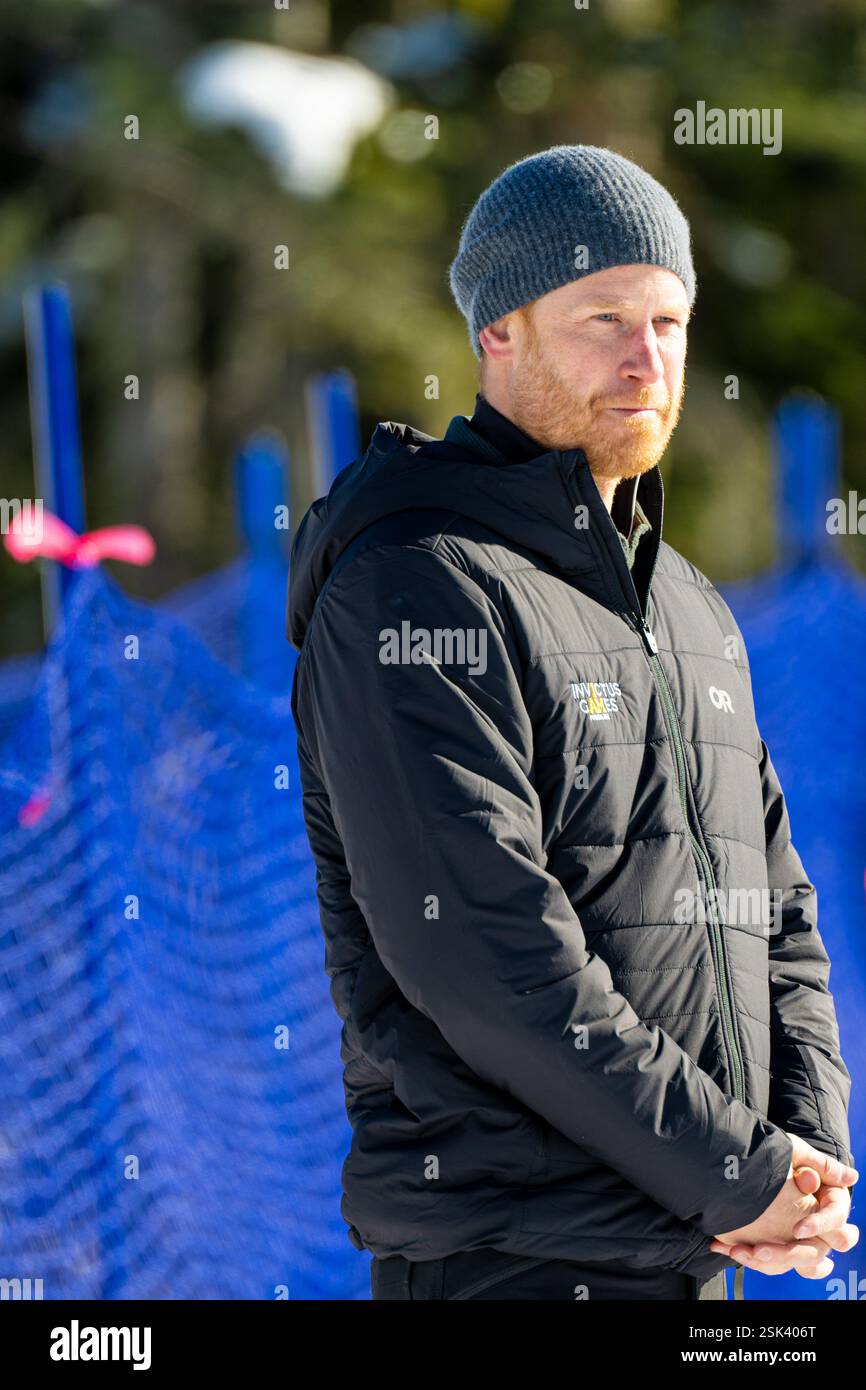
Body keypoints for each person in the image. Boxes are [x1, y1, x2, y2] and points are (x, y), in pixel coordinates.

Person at [286, 145, 857, 1301]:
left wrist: (802, 1155)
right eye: (602, 317)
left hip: (695, 1245)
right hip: (513, 1259)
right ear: (499, 331)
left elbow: (776, 908)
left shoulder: (684, 602)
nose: (644, 361)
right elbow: (485, 957)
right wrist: (737, 1174)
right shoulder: (414, 582)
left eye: (668, 321)